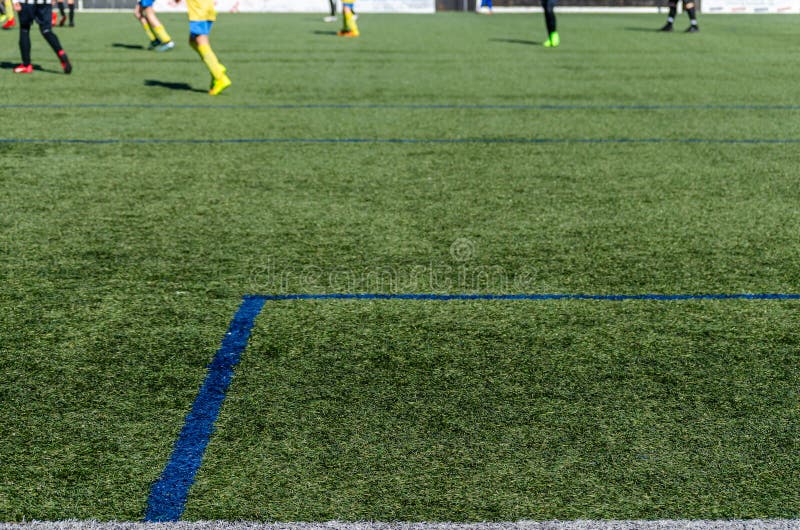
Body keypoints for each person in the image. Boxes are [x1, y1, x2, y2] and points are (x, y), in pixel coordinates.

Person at [174, 0, 231, 95]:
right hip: (207, 8)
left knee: (201, 42)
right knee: (193, 42)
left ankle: (220, 77)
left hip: (198, 10)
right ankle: (217, 67)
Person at [11, 0, 71, 74]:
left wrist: (15, 1)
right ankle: (61, 53)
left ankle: (26, 65)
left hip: (27, 3)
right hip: (45, 3)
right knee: (47, 31)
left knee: (24, 30)